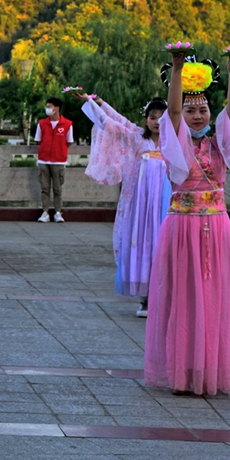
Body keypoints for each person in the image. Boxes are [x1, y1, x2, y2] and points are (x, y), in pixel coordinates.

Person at [143, 47, 230, 396]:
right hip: (182, 226)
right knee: (183, 297)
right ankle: (183, 369)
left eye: (203, 109)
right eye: (192, 110)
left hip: (216, 225)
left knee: (213, 298)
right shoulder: (175, 139)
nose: (197, 115)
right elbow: (174, 109)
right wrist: (177, 69)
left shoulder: (220, 141)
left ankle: (210, 368)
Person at [82, 95, 172, 316]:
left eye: (162, 118)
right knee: (142, 244)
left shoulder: (175, 143)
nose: (157, 122)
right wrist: (96, 103)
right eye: (152, 117)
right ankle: (145, 298)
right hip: (141, 206)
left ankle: (166, 296)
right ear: (145, 120)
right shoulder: (137, 140)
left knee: (166, 245)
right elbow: (113, 123)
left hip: (167, 203)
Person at [34, 96, 74, 222]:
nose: (47, 109)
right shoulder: (42, 123)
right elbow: (38, 140)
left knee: (57, 188)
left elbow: (69, 142)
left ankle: (57, 212)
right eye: (47, 106)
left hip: (59, 160)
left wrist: (59, 151)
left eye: (49, 106)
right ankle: (45, 212)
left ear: (57, 108)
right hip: (44, 160)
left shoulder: (67, 124)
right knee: (44, 188)